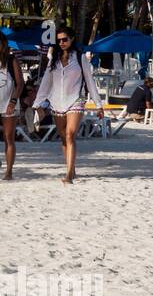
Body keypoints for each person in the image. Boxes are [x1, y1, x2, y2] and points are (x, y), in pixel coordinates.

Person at [33, 26, 103, 184]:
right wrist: (37, 103)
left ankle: (69, 175)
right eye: (59, 40)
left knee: (70, 135)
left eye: (65, 39)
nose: (62, 42)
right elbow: (46, 82)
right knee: (64, 138)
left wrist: (98, 104)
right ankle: (71, 168)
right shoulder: (54, 60)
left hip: (76, 100)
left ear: (72, 39)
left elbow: (90, 81)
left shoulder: (80, 58)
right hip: (56, 102)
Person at [0, 32, 25, 180]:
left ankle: (9, 171)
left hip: (9, 103)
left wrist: (13, 101)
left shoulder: (11, 60)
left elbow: (20, 83)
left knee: (9, 138)